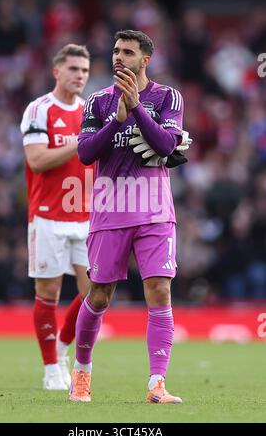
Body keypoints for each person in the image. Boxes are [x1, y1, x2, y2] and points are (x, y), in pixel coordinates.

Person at [69, 30, 191, 403]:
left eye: (128, 52)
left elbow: (169, 144)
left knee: (159, 288)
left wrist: (137, 108)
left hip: (154, 209)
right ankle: (82, 374)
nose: (119, 57)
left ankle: (157, 383)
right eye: (116, 51)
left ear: (146, 59)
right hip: (111, 207)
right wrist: (117, 119)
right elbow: (86, 154)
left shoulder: (168, 97)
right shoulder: (98, 102)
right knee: (101, 295)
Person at [20, 44, 92, 390]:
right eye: (74, 69)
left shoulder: (92, 112)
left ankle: (62, 346)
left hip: (87, 215)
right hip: (48, 214)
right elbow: (36, 160)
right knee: (48, 291)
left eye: (85, 70)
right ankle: (51, 370)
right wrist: (79, 143)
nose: (80, 75)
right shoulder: (39, 109)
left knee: (97, 290)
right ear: (57, 72)